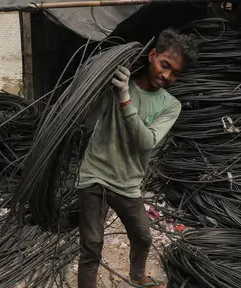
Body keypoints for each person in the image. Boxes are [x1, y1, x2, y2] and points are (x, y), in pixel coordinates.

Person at [77, 28, 197, 288]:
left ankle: (137, 276)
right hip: (95, 172)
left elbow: (147, 143)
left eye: (175, 73)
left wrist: (124, 99)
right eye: (164, 65)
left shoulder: (170, 105)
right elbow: (86, 120)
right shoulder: (119, 82)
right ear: (152, 55)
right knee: (92, 245)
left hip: (128, 181)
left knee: (143, 237)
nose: (166, 76)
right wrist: (99, 89)